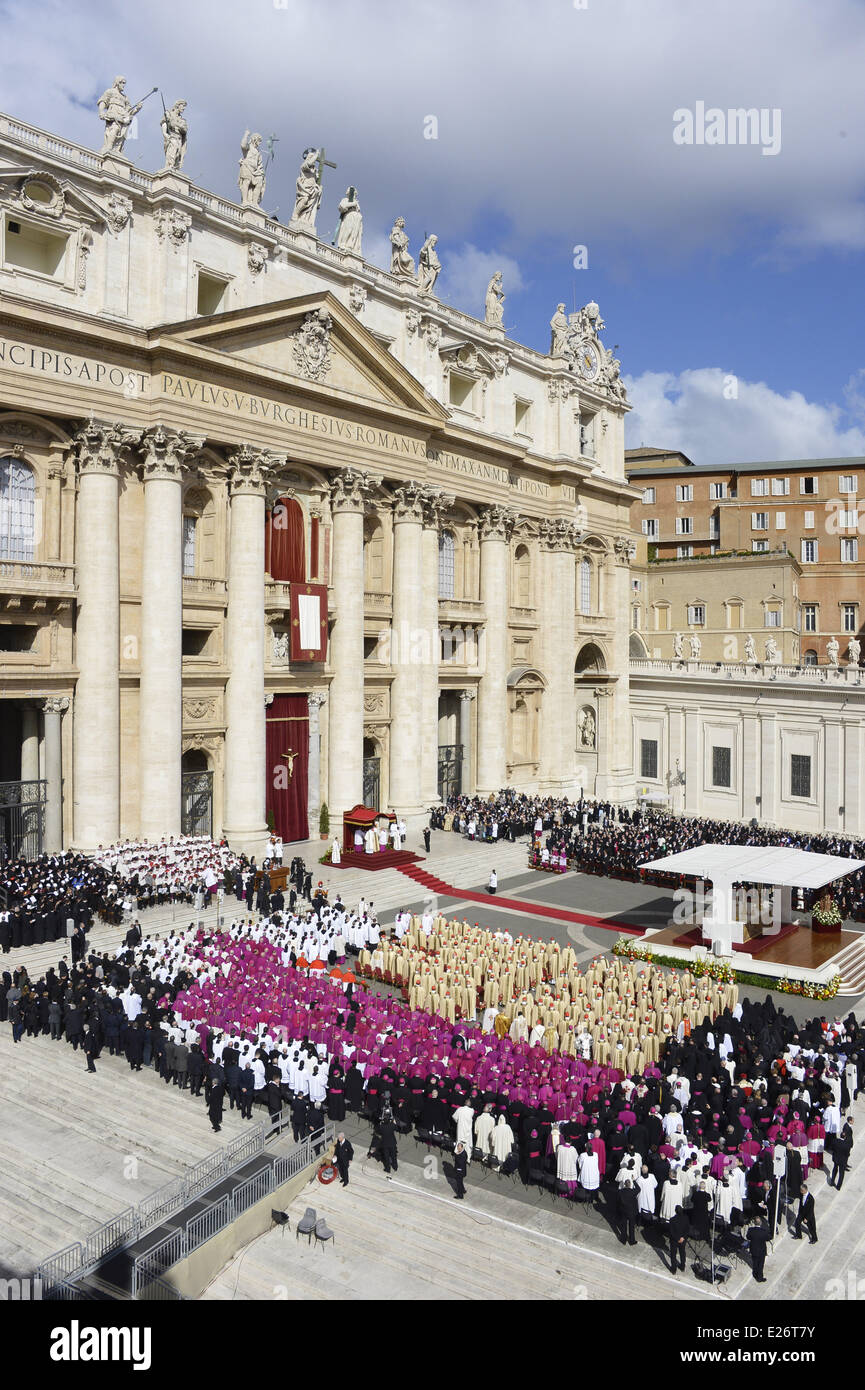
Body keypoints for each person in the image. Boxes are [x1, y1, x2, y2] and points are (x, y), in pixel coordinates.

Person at [668, 1204, 689, 1275]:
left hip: (674, 1240)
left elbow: (671, 1232)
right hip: (683, 1239)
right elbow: (687, 1229)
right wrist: (683, 1238)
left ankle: (673, 1269)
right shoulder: (686, 1218)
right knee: (682, 1252)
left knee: (673, 1254)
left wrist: (677, 1239)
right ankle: (682, 1266)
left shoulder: (672, 1220)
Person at [748, 1217, 770, 1283]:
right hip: (761, 1251)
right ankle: (759, 1277)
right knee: (760, 1264)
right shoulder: (763, 1232)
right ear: (761, 1223)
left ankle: (755, 1274)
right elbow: (768, 1238)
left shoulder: (751, 1230)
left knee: (755, 1262)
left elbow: (748, 1237)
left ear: (754, 1223)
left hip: (753, 1249)